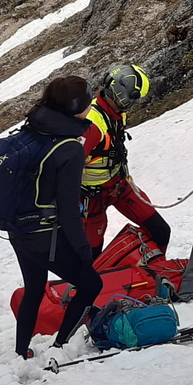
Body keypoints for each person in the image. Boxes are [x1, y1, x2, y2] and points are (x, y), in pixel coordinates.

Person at [8, 76, 103, 358]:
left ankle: (20, 351)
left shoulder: (33, 126)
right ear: (75, 109)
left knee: (35, 287)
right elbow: (69, 209)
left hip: (17, 229)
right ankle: (60, 346)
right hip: (43, 234)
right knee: (91, 283)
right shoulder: (70, 147)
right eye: (87, 103)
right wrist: (85, 252)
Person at [81, 64, 171, 255]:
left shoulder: (115, 114)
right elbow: (69, 166)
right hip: (92, 196)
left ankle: (150, 269)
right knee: (91, 254)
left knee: (160, 231)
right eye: (134, 97)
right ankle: (98, 283)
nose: (133, 102)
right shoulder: (93, 123)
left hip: (118, 186)